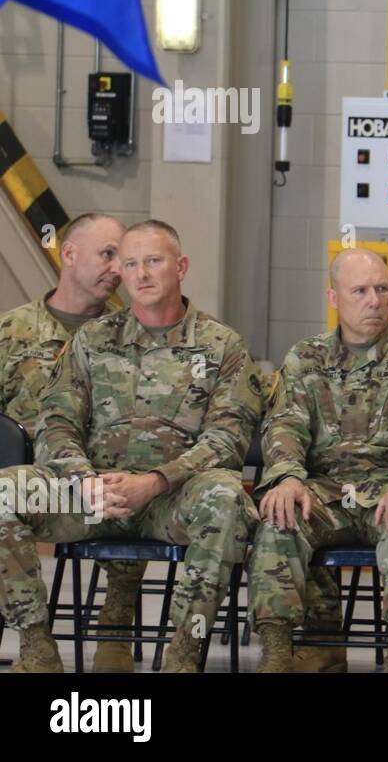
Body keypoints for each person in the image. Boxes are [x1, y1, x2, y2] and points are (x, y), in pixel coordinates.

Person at [0, 220, 263, 672]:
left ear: (181, 266)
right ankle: (36, 646)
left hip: (172, 499)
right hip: (91, 496)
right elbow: (56, 420)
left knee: (226, 501)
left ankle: (184, 651)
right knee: (4, 491)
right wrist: (83, 480)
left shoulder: (222, 345)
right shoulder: (93, 339)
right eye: (130, 264)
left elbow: (228, 437)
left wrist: (155, 481)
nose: (141, 274)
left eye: (154, 262)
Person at [250, 247, 388, 673]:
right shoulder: (306, 357)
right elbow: (284, 425)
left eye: (383, 289)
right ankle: (277, 653)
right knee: (277, 517)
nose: (375, 300)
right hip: (325, 492)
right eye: (360, 290)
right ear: (334, 297)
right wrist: (287, 478)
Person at [0, 213, 147, 672]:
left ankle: (116, 631)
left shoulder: (134, 335)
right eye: (108, 255)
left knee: (131, 474)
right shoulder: (12, 331)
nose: (116, 269)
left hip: (108, 480)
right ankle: (35, 644)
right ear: (69, 255)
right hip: (42, 484)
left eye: (122, 260)